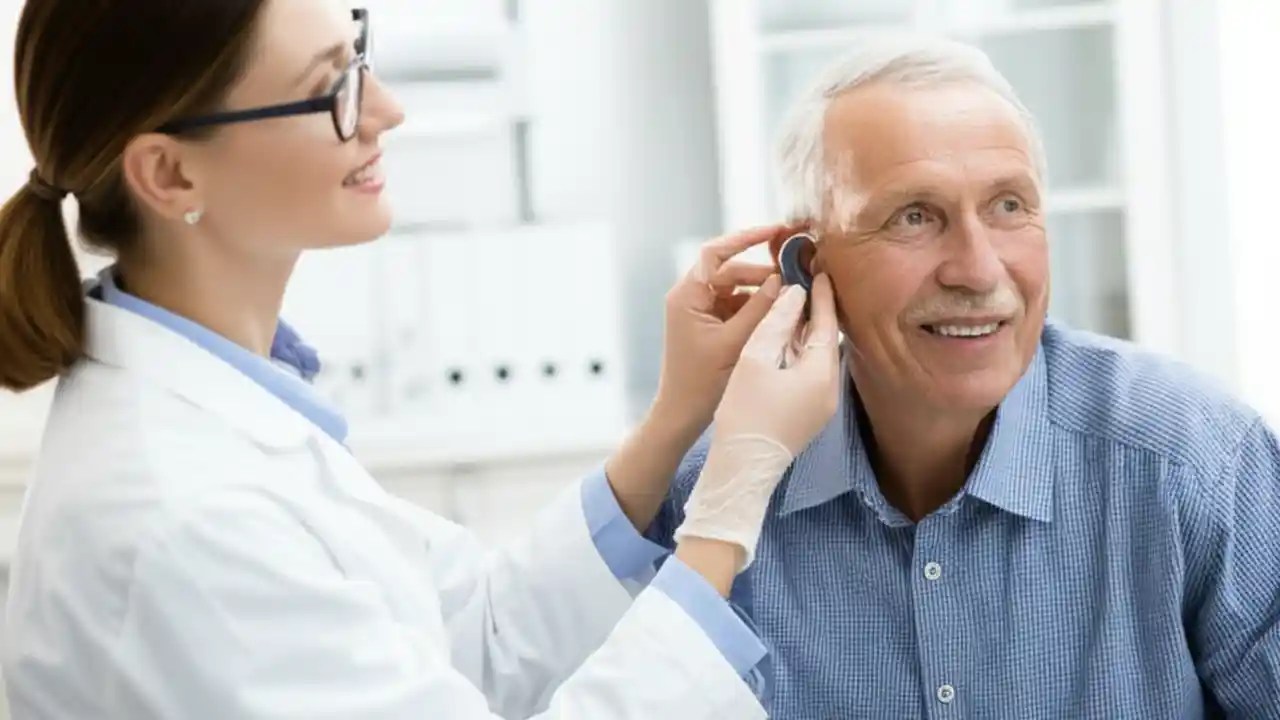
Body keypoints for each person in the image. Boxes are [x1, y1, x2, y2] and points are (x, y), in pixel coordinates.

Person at [0, 1, 842, 718]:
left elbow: (476, 635)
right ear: (171, 175)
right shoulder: (180, 520)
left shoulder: (231, 416)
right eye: (328, 90)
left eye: (357, 57)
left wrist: (677, 418)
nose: (386, 111)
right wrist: (731, 500)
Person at [646, 35, 1280, 718]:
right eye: (914, 217)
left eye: (1009, 206)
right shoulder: (710, 507)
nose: (978, 270)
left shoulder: (1197, 463)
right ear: (807, 262)